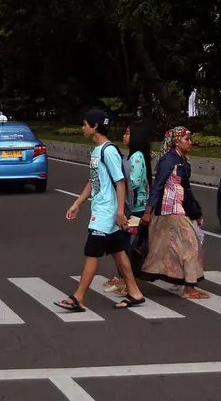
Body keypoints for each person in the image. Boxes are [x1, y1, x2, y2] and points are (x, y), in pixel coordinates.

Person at [54, 109, 147, 312]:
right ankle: (135, 292)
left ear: (95, 126)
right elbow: (93, 181)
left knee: (92, 252)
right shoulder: (97, 151)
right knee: (118, 252)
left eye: (85, 124)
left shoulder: (109, 151)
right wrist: (77, 203)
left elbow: (120, 182)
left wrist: (120, 212)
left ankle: (78, 298)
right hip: (103, 210)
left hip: (106, 213)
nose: (83, 128)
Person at [138, 126, 208, 299]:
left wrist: (196, 214)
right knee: (190, 244)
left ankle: (181, 281)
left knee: (173, 247)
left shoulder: (182, 160)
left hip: (179, 209)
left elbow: (186, 191)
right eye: (186, 139)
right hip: (169, 210)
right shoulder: (168, 160)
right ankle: (189, 288)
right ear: (176, 141)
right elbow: (157, 186)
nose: (190, 142)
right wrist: (148, 212)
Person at [104, 121, 153, 295]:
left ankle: (126, 282)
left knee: (124, 245)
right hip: (133, 207)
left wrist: (119, 180)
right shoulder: (133, 156)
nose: (124, 136)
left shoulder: (137, 157)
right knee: (123, 244)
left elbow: (134, 181)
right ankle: (124, 279)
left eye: (127, 133)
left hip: (136, 209)